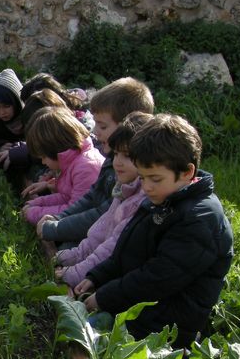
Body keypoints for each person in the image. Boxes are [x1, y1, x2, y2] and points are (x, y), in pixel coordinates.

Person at [75, 114, 233, 348]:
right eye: (143, 177)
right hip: (140, 312)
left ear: (187, 173)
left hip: (164, 331)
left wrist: (105, 296)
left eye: (155, 179)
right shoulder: (161, 200)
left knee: (84, 341)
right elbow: (127, 250)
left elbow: (157, 279)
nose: (146, 186)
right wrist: (97, 276)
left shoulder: (200, 219)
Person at [36, 77, 155, 246]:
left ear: (127, 125)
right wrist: (59, 218)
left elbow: (103, 214)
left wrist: (57, 228)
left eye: (103, 126)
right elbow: (91, 197)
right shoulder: (112, 159)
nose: (96, 132)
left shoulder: (134, 172)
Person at [54, 112, 153, 288]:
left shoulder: (143, 198)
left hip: (121, 274)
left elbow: (113, 245)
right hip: (107, 265)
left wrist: (79, 271)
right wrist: (78, 253)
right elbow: (103, 228)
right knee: (66, 247)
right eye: (116, 154)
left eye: (127, 156)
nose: (118, 162)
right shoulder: (126, 187)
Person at [20, 106, 104, 225]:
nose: (43, 162)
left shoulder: (86, 168)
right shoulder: (72, 162)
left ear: (56, 148)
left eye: (44, 157)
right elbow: (66, 196)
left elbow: (74, 211)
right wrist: (37, 202)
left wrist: (34, 213)